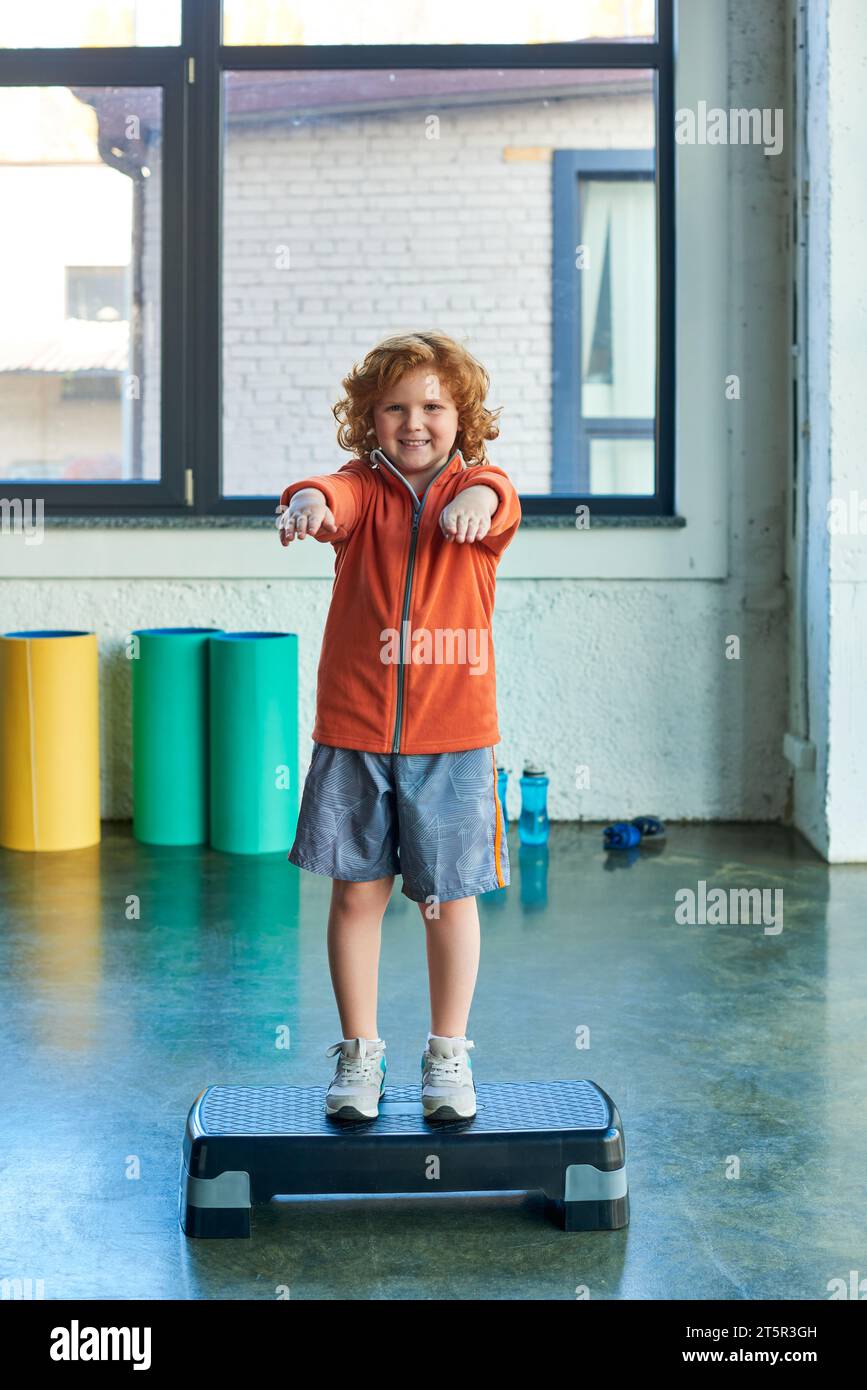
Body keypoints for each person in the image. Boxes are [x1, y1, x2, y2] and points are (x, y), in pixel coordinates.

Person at [276, 330, 521, 1122]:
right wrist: (307, 503)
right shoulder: (359, 492)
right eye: (393, 408)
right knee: (356, 897)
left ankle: (448, 1054)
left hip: (452, 742)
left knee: (446, 901)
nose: (413, 423)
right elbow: (327, 493)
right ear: (368, 419)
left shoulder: (480, 492)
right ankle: (359, 1054)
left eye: (432, 407)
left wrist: (475, 503)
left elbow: (495, 499)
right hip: (356, 732)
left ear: (461, 416)